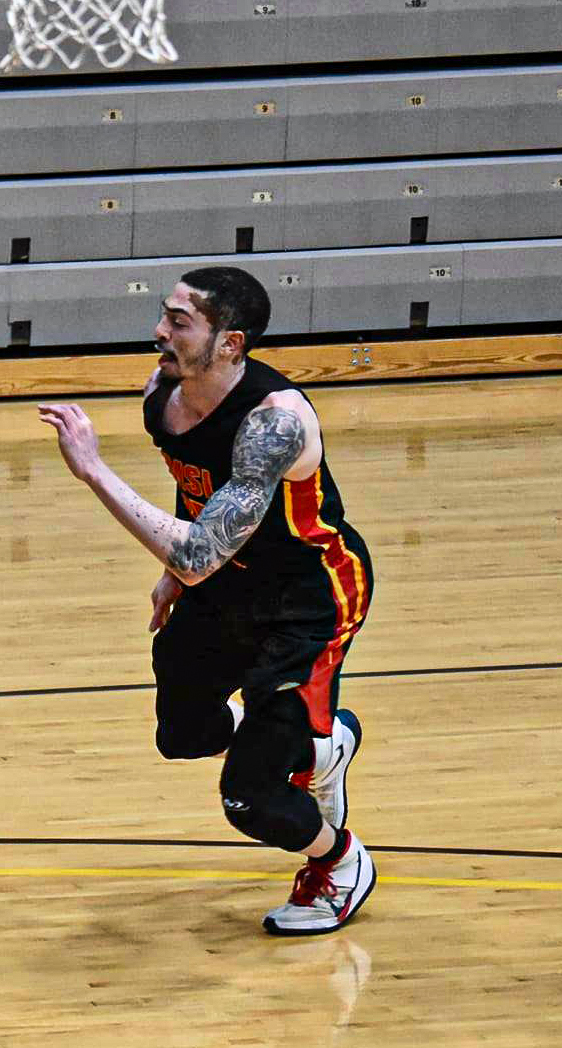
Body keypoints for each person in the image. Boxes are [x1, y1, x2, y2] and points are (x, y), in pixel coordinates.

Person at [38, 266, 375, 936]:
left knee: (248, 799)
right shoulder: (164, 391)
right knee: (182, 735)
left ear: (229, 343)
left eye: (178, 321)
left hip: (305, 601)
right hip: (225, 580)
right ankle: (316, 749)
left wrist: (93, 470)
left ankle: (337, 862)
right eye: (164, 315)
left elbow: (195, 553)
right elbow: (198, 501)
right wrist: (174, 570)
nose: (159, 331)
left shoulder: (272, 423)